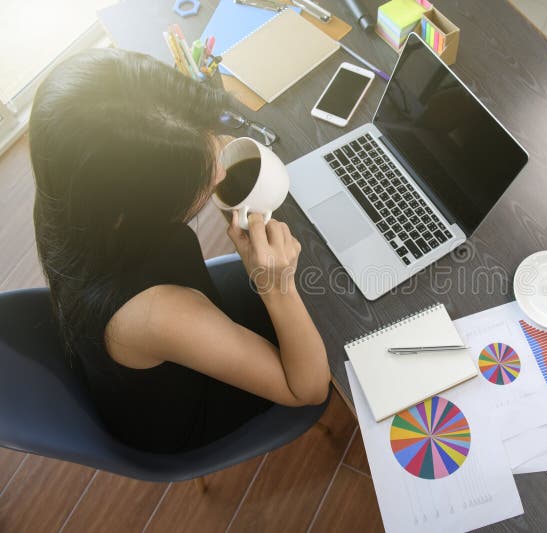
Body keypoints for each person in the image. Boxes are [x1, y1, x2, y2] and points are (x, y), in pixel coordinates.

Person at [28, 48, 330, 453]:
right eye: (205, 177)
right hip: (187, 406)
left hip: (152, 340)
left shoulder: (72, 190)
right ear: (142, 204)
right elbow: (307, 388)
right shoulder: (155, 314)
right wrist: (276, 285)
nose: (221, 167)